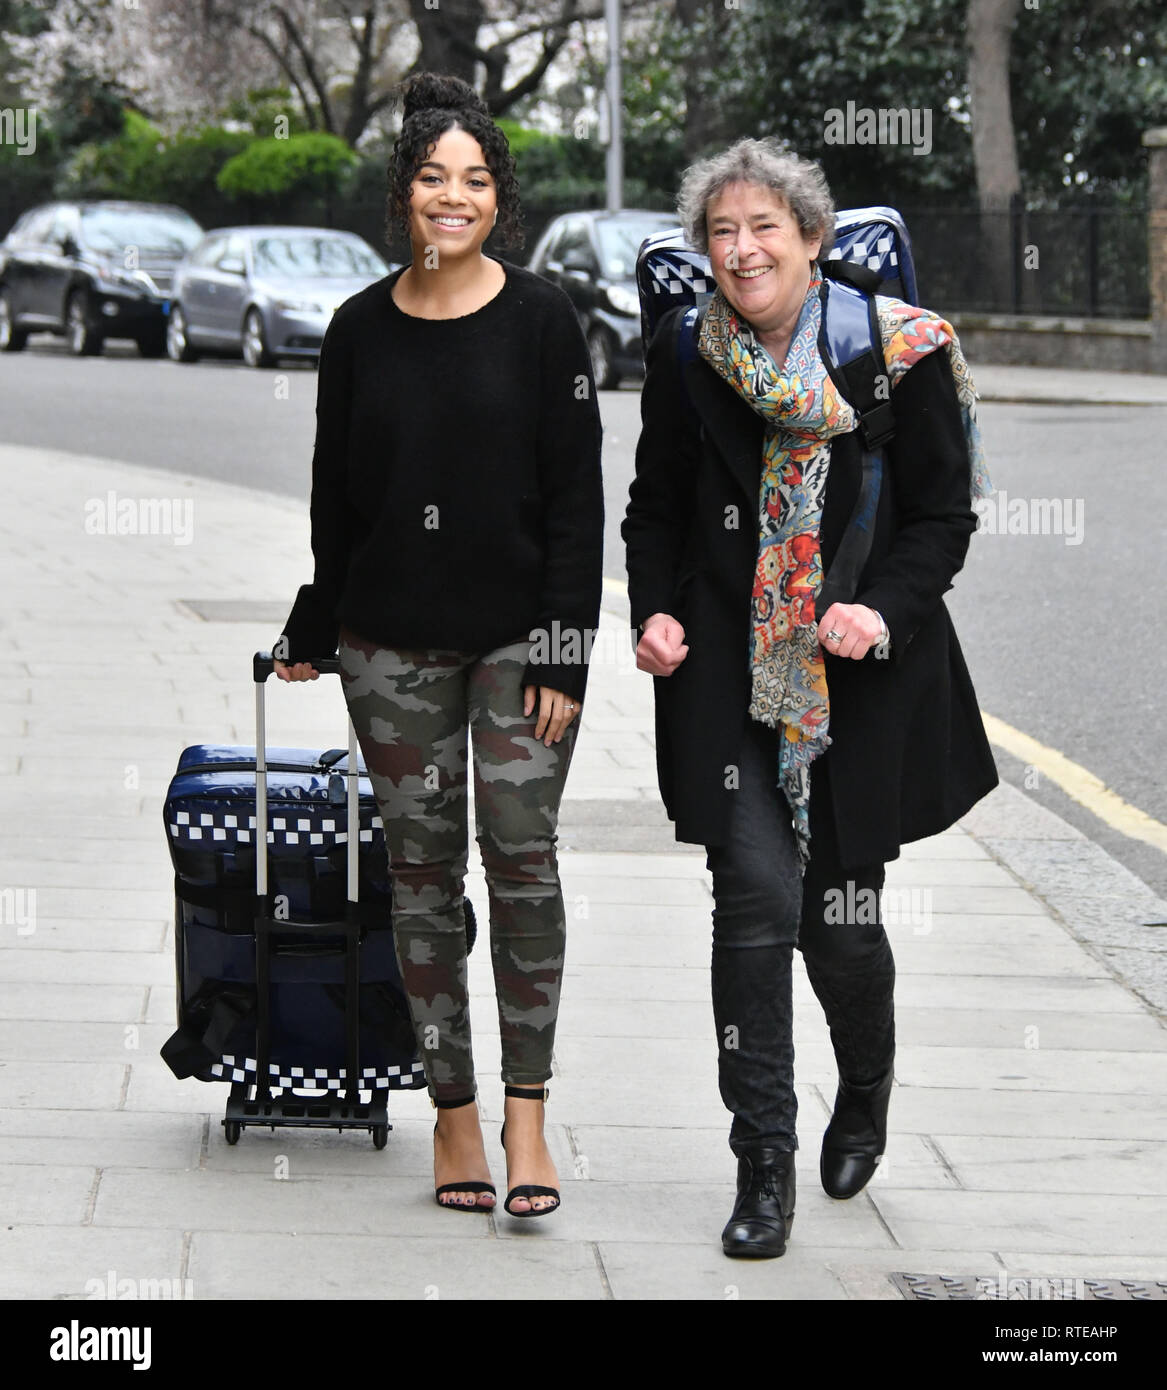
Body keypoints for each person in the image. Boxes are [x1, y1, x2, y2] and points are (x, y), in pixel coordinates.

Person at [622, 139, 998, 1258]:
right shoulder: (687, 351)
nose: (741, 252)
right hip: (724, 672)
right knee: (751, 902)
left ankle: (866, 1086)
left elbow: (942, 518)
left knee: (838, 927)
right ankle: (763, 1164)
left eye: (763, 229)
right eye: (721, 233)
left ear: (812, 239)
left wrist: (880, 610)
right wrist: (654, 610)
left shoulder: (896, 351)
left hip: (854, 676)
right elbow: (654, 506)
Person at [274, 72, 603, 1218]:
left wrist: (565, 649)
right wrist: (315, 618)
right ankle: (452, 1116)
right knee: (420, 877)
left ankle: (528, 1117)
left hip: (521, 644)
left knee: (522, 859)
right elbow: (334, 496)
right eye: (431, 177)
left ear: (497, 198)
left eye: (473, 180)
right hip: (389, 647)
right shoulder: (358, 330)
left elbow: (576, 502)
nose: (452, 197)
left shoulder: (545, 322)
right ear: (403, 194)